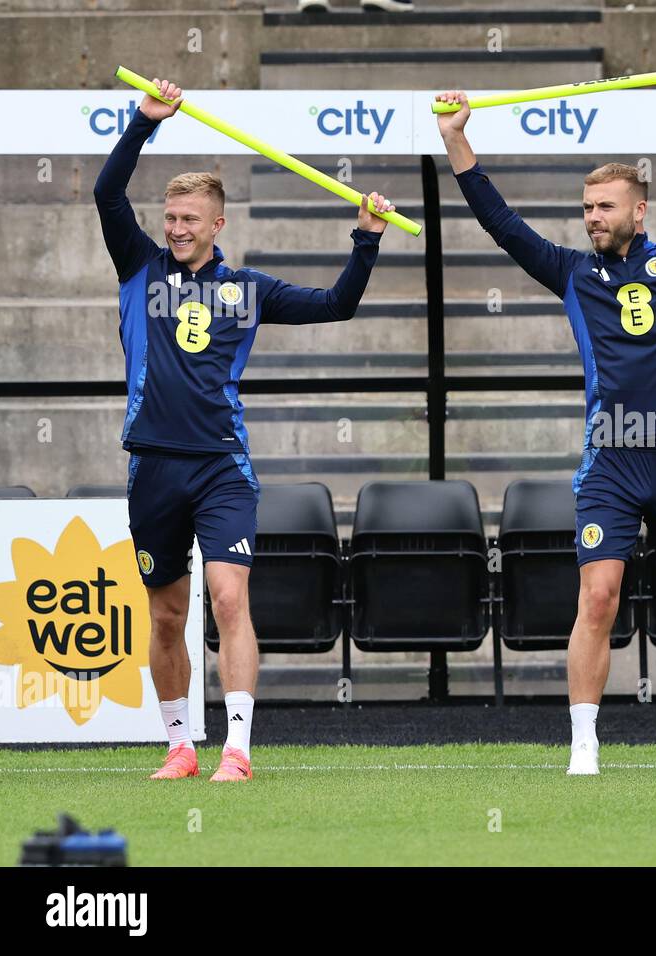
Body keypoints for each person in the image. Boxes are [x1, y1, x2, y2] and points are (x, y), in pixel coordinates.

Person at [436, 38, 656, 775]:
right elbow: (501, 223)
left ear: (640, 210)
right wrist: (458, 141)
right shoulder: (569, 273)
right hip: (611, 456)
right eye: (586, 207)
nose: (591, 217)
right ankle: (584, 744)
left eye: (604, 207)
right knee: (600, 594)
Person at [94, 78, 395, 782]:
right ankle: (178, 747)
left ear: (217, 224)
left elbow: (337, 306)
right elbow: (107, 195)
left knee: (229, 597)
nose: (175, 228)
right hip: (153, 467)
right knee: (167, 614)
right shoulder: (139, 268)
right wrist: (144, 123)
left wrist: (366, 239)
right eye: (170, 217)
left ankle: (238, 749)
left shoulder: (249, 289)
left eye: (189, 218)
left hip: (223, 465)